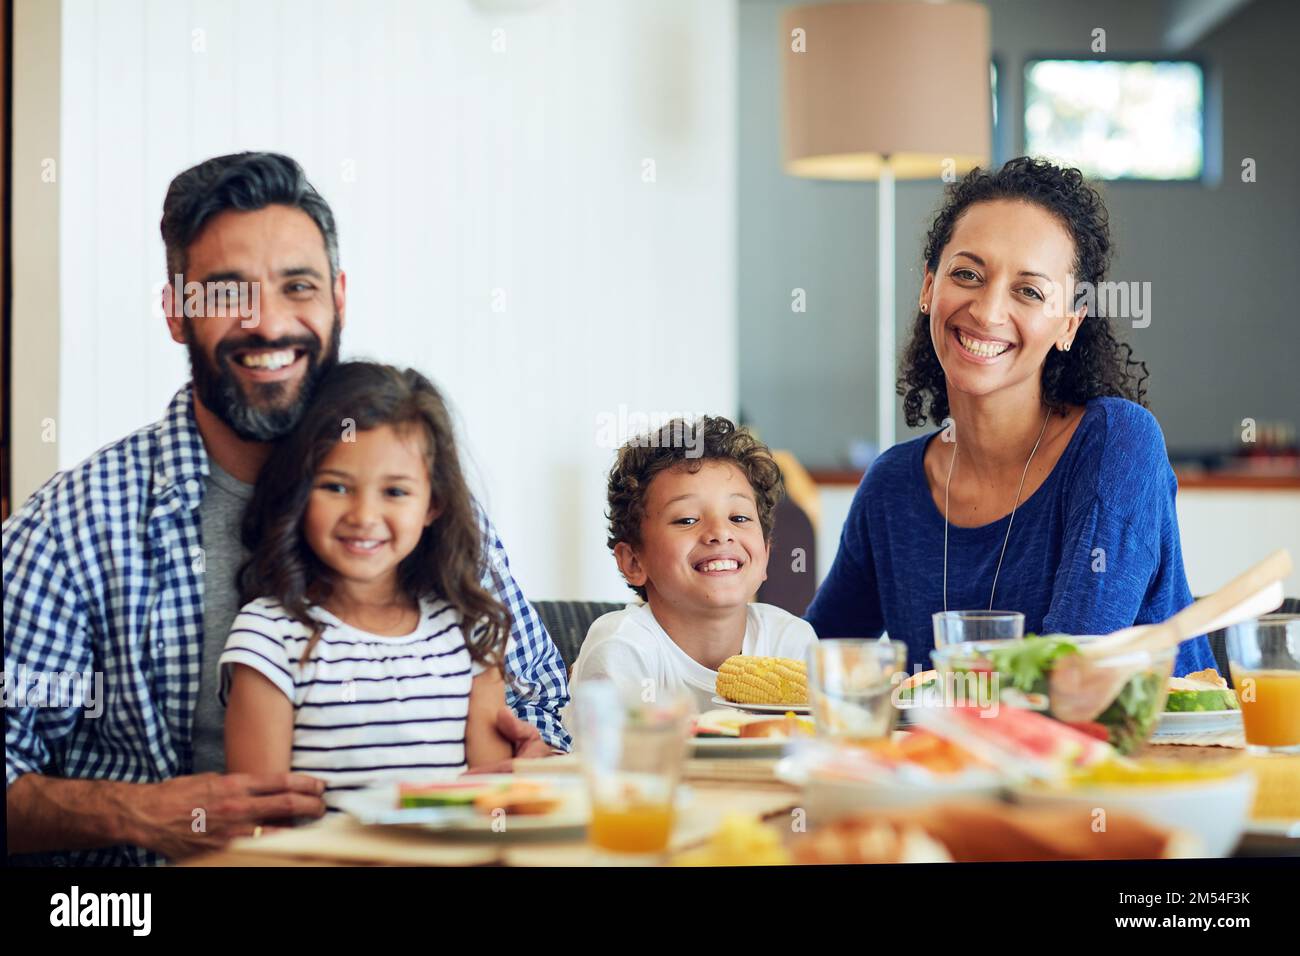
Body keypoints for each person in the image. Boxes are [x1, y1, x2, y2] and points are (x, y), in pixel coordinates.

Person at [4, 152, 568, 866]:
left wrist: (532, 748)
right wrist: (137, 812)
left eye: (296, 286)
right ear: (177, 313)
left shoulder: (426, 498)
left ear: (337, 297)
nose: (267, 322)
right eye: (225, 292)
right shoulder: (76, 526)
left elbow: (546, 700)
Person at [805, 157, 1216, 676]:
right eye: (968, 274)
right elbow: (811, 664)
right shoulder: (891, 488)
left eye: (1029, 291)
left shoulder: (1117, 442)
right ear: (929, 288)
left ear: (1069, 323)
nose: (988, 310)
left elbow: (1070, 668)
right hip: (964, 758)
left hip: (1156, 754)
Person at [223, 362, 513, 807]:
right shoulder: (269, 634)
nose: (363, 516)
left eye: (395, 492)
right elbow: (260, 818)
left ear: (433, 504)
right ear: (300, 491)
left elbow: (493, 803)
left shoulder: (470, 628)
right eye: (336, 487)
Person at [571, 416, 817, 712]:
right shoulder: (623, 649)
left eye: (739, 518)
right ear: (633, 561)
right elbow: (620, 756)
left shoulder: (789, 641)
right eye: (687, 519)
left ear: (764, 554)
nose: (720, 532)